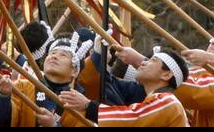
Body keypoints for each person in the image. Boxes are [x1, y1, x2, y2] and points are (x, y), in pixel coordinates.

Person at [59, 48, 191, 127]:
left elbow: (132, 118)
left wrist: (89, 106)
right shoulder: (156, 100)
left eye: (153, 60)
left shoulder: (168, 102)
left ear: (166, 74)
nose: (144, 62)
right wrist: (98, 55)